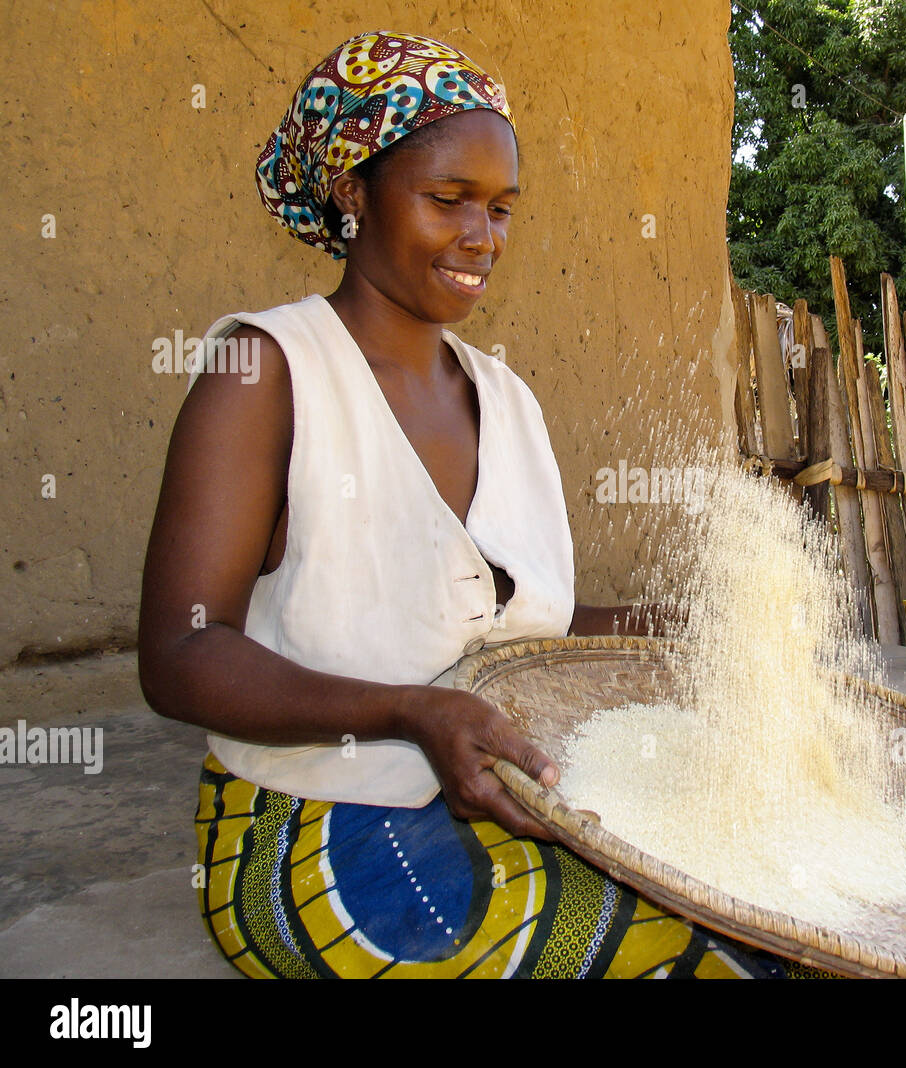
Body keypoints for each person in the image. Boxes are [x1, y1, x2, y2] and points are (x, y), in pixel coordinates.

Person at [138, 31, 818, 978]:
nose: (482, 237)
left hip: (509, 805)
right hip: (317, 830)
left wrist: (677, 627)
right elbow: (180, 655)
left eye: (500, 208)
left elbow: (504, 629)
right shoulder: (269, 374)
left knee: (780, 905)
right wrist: (411, 714)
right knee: (703, 953)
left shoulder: (505, 399)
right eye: (447, 200)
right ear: (352, 192)